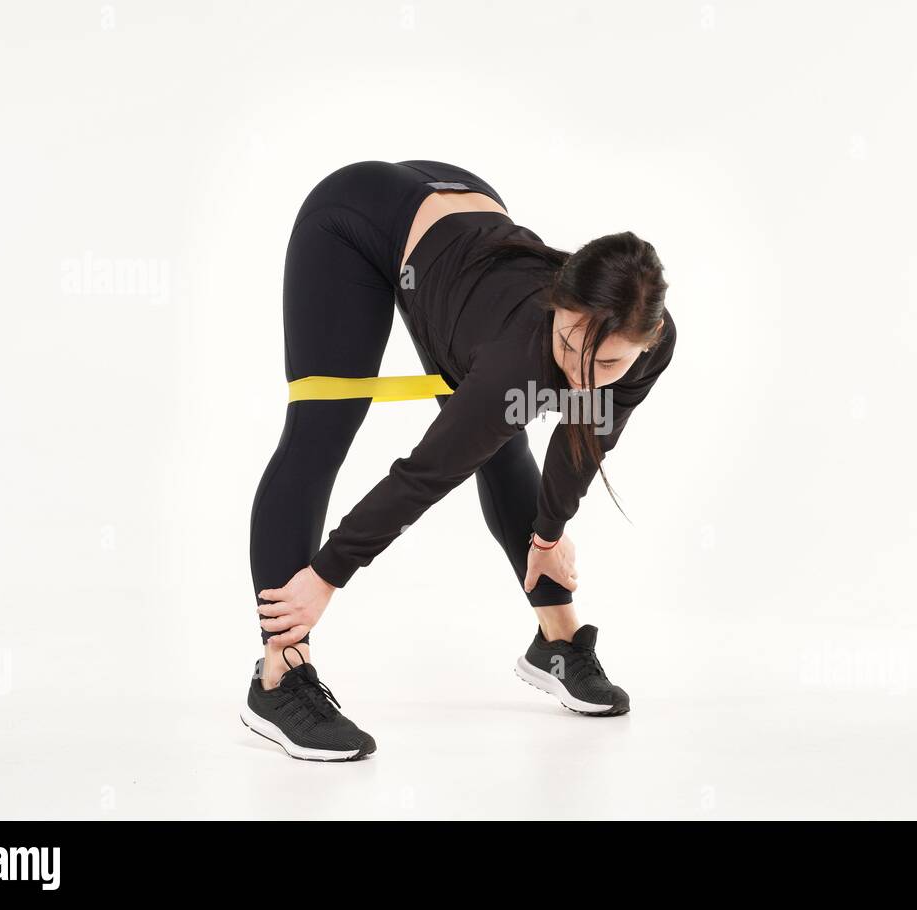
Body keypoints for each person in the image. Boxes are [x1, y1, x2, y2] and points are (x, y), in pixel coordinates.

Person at [239, 160, 677, 761]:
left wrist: (550, 535)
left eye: (607, 366)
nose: (580, 377)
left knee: (499, 441)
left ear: (647, 344)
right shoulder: (514, 359)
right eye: (570, 343)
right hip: (356, 221)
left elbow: (587, 438)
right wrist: (326, 576)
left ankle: (557, 640)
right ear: (558, 303)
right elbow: (425, 475)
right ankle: (278, 675)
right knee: (323, 430)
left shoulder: (651, 342)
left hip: (462, 218)